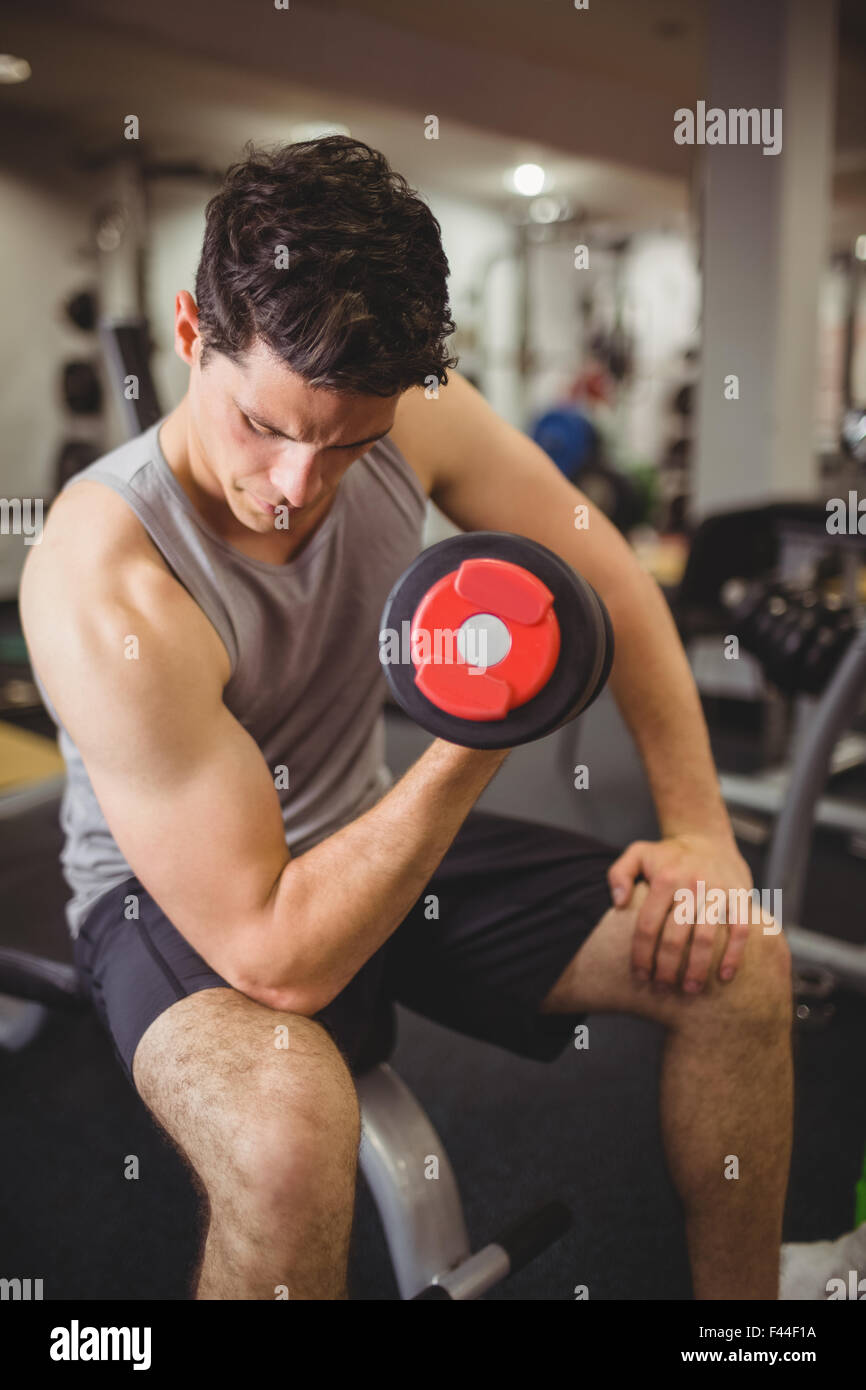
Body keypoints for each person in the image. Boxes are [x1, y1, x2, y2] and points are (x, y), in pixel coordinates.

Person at [19, 137, 792, 1301]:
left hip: (360, 818)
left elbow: (604, 572)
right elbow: (274, 953)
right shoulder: (104, 578)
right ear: (192, 333)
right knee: (283, 1141)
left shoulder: (417, 415)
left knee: (741, 955)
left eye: (348, 445)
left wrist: (698, 830)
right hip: (174, 897)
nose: (297, 484)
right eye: (265, 427)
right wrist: (481, 735)